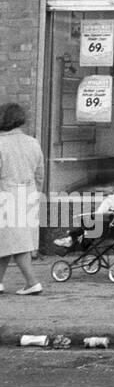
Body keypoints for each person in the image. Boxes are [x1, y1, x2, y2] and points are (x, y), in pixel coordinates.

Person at [0, 103, 45, 296]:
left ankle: (32, 282)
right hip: (28, 193)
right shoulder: (32, 142)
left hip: (6, 194)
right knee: (9, 241)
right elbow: (40, 174)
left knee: (15, 242)